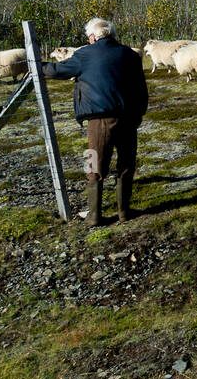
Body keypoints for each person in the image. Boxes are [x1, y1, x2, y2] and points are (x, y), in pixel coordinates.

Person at [42, 18, 149, 224]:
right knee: (126, 164)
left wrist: (38, 66)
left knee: (94, 163)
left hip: (99, 120)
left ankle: (94, 215)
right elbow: (141, 88)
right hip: (128, 117)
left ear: (92, 37)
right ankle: (124, 213)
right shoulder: (130, 54)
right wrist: (139, 114)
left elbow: (59, 71)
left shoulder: (84, 54)